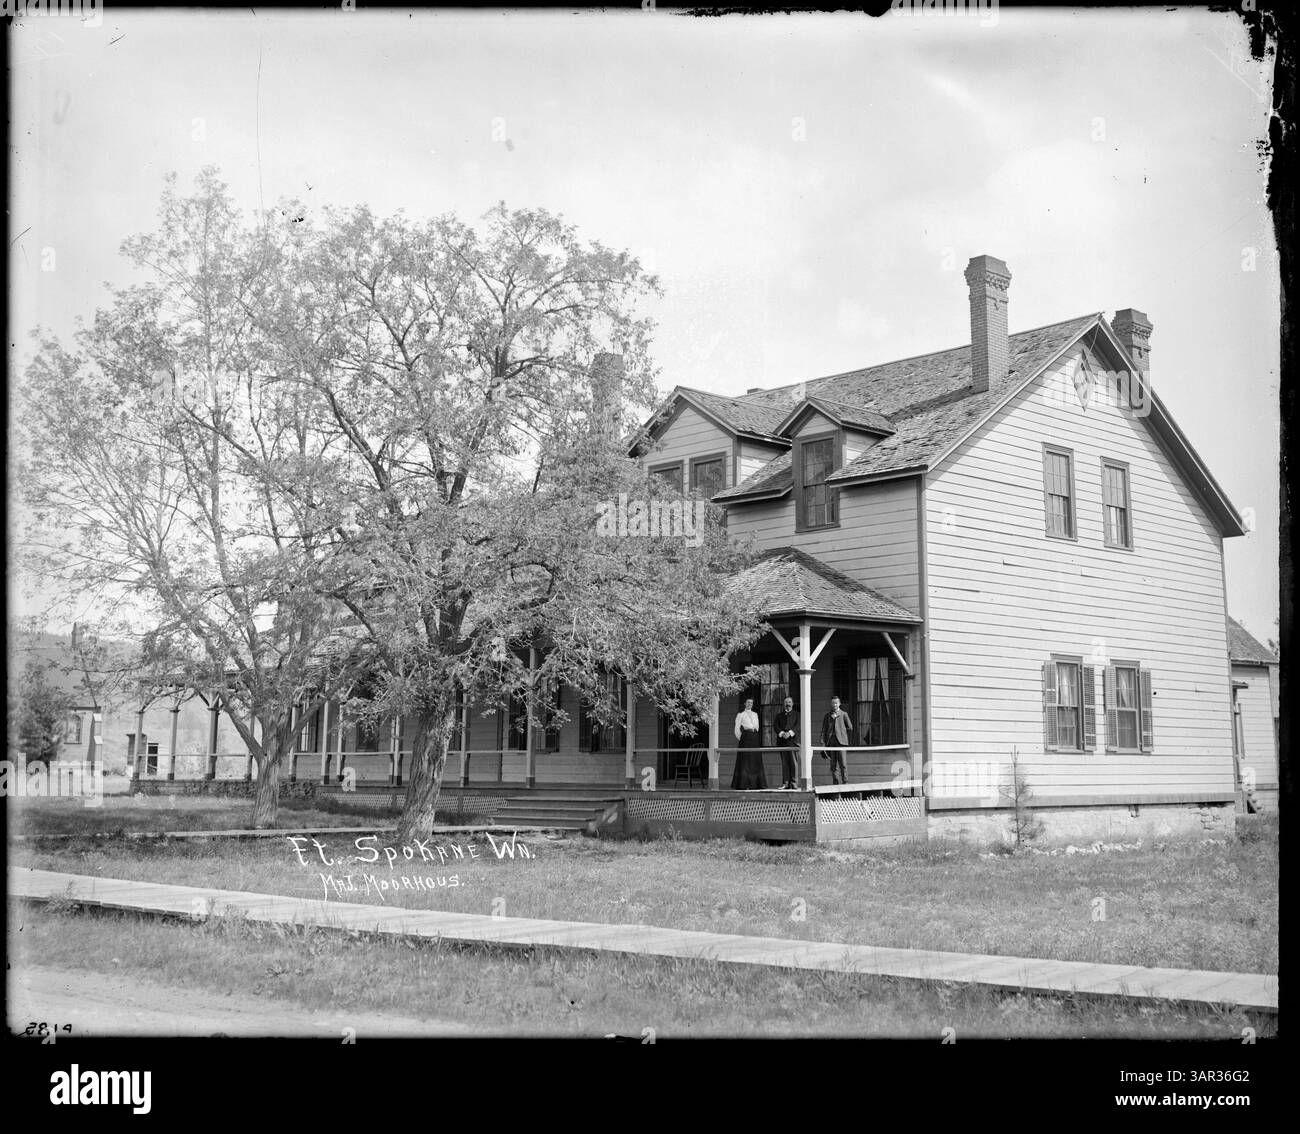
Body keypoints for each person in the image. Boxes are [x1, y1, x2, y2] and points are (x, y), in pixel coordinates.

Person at [731, 697, 768, 790]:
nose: (749, 704)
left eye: (751, 703)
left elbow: (757, 727)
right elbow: (736, 729)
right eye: (748, 702)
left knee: (755, 760)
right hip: (746, 738)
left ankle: (756, 784)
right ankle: (744, 784)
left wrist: (754, 734)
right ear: (745, 703)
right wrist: (742, 738)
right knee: (745, 761)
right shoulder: (741, 715)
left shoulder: (755, 714)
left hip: (754, 737)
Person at [820, 696, 855, 786]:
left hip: (841, 742)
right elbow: (824, 729)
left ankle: (845, 782)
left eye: (836, 703)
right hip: (831, 742)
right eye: (833, 703)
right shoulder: (827, 716)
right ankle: (835, 783)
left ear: (839, 704)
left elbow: (850, 727)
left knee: (843, 763)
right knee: (833, 764)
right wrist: (822, 741)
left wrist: (841, 732)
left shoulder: (844, 714)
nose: (834, 705)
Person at [773, 696, 800, 790]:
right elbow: (776, 726)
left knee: (793, 763)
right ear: (784, 704)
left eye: (789, 702)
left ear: (792, 704)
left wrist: (790, 733)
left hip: (793, 742)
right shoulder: (779, 716)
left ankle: (794, 783)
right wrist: (782, 733)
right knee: (785, 763)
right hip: (782, 742)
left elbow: (798, 725)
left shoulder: (797, 714)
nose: (787, 704)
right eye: (786, 702)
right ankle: (785, 783)